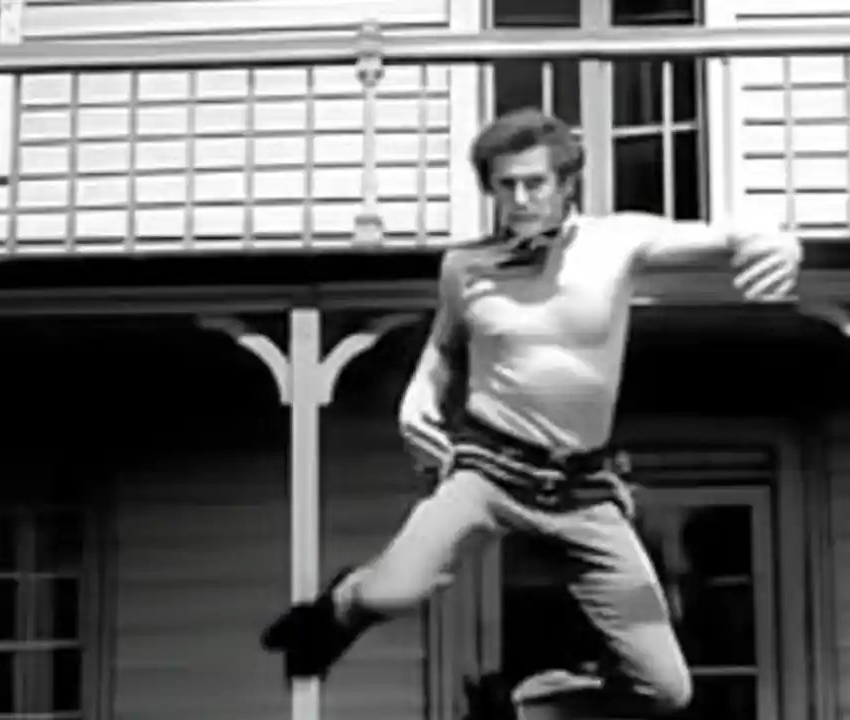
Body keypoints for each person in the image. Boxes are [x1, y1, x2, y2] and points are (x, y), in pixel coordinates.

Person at [260, 107, 802, 717]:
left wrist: (775, 238)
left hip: (581, 491)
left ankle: (528, 708)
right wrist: (420, 392)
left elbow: (720, 234)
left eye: (535, 183)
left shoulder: (615, 241)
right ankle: (338, 605)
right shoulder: (465, 266)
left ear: (566, 183)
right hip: (487, 472)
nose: (520, 199)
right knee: (391, 593)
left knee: (667, 690)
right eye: (505, 185)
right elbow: (445, 347)